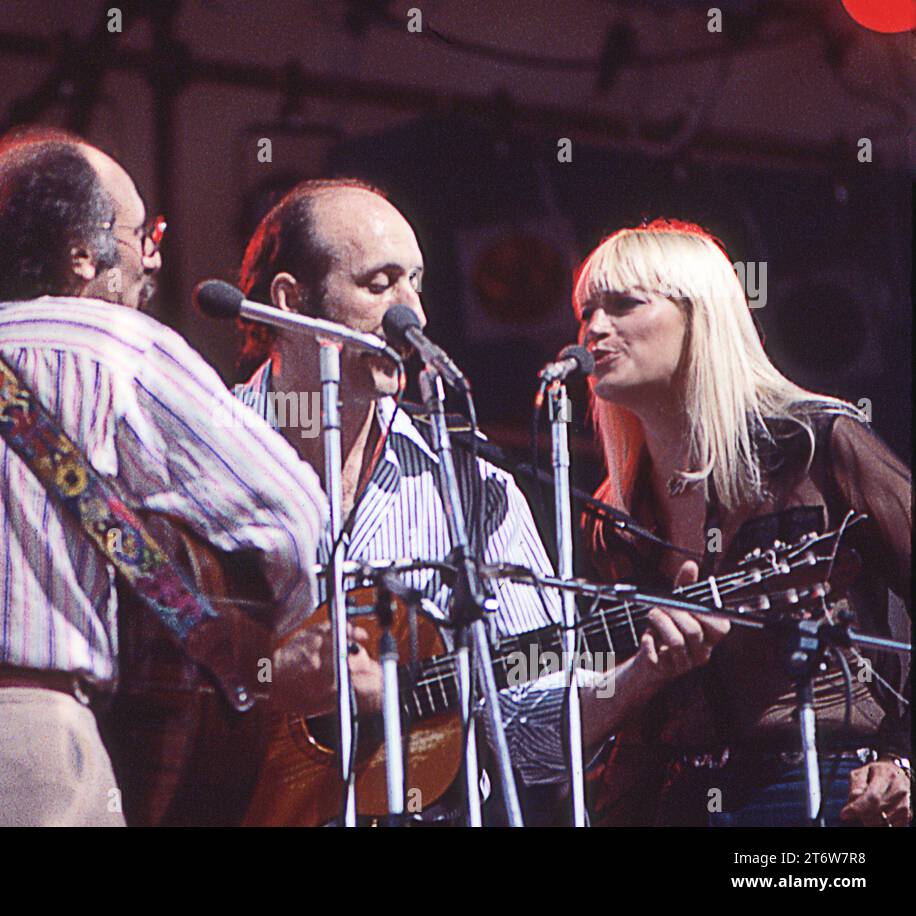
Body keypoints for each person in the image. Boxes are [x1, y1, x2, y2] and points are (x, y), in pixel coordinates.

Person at [0, 127, 325, 826]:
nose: (155, 255)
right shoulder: (109, 344)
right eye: (144, 232)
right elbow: (289, 513)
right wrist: (284, 651)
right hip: (23, 757)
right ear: (82, 255)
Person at [231, 180, 725, 823]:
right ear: (290, 302)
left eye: (416, 282)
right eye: (380, 285)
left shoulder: (472, 485)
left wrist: (639, 675)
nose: (414, 313)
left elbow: (529, 731)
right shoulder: (199, 450)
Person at [575, 219, 911, 826]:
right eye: (586, 312)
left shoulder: (815, 444)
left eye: (624, 304)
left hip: (821, 788)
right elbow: (641, 722)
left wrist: (904, 759)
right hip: (680, 803)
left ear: (698, 316)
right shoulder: (615, 514)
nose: (595, 329)